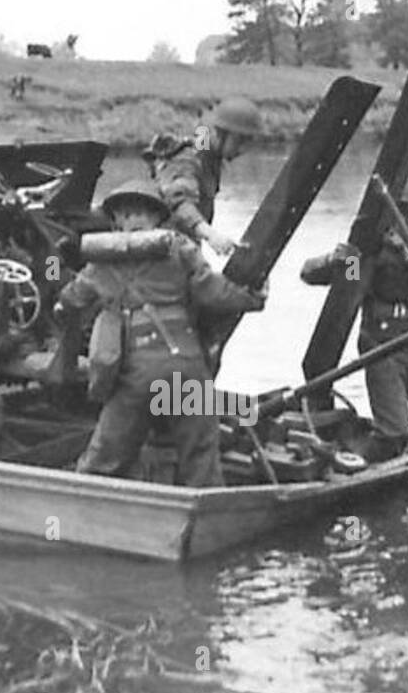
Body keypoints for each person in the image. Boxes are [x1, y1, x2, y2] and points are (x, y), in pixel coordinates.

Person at [55, 180, 265, 486]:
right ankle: (211, 520)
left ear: (115, 222)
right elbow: (214, 294)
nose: (133, 220)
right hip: (186, 368)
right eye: (129, 214)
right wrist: (253, 299)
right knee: (201, 457)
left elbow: (70, 299)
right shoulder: (180, 248)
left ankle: (83, 513)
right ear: (158, 217)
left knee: (104, 459)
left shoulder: (102, 264)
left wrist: (55, 275)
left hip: (136, 376)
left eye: (133, 214)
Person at [300, 186, 408, 461]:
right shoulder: (367, 252)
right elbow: (312, 274)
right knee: (393, 434)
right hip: (383, 345)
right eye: (407, 214)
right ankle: (346, 458)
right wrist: (335, 260)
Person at [144, 96, 262, 256]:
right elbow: (179, 201)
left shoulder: (208, 154)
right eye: (240, 141)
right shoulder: (190, 159)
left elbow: (201, 138)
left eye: (248, 142)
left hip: (184, 250)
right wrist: (211, 235)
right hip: (163, 253)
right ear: (222, 135)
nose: (243, 150)